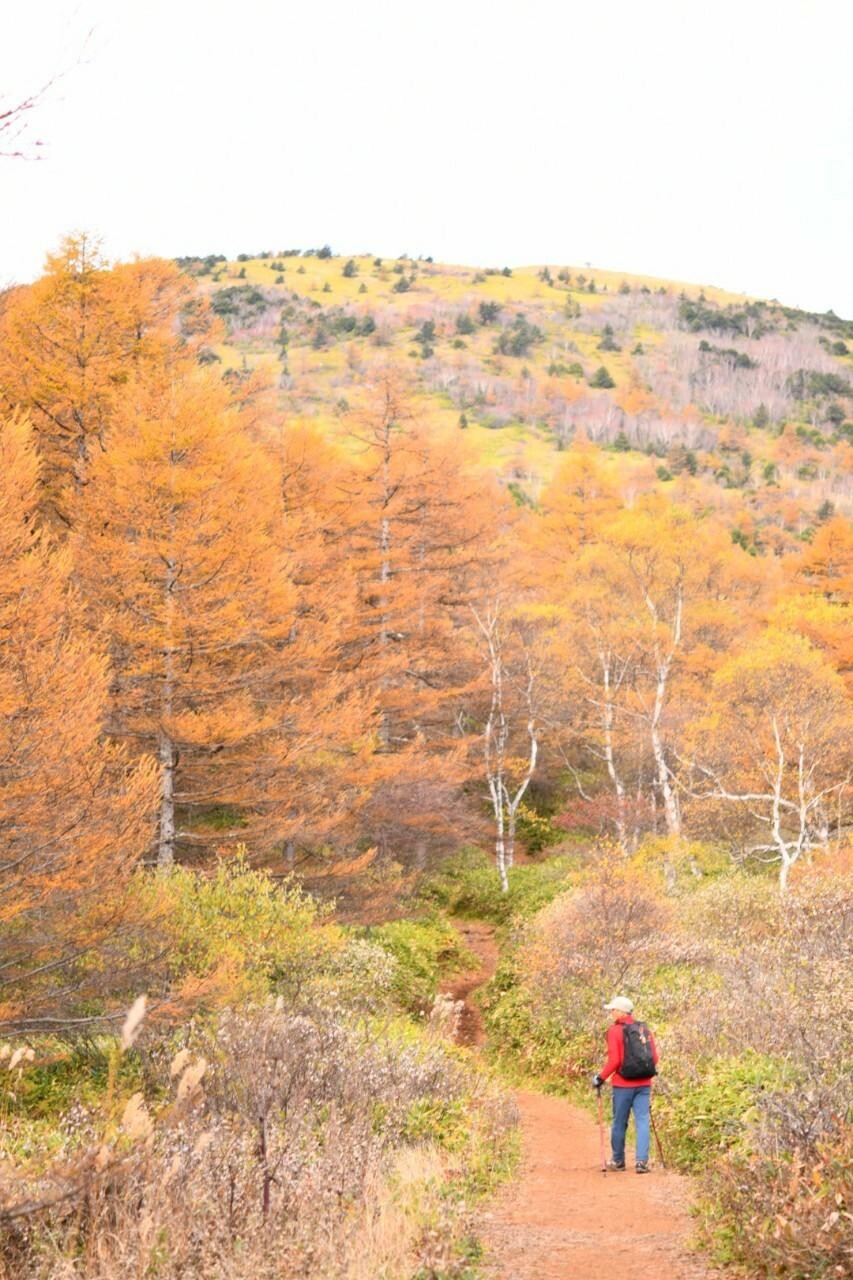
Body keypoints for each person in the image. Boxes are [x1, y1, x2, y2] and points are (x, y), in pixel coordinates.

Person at [592, 995, 659, 1173]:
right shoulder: (644, 1029)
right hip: (644, 1084)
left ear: (622, 1012)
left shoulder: (614, 1031)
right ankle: (641, 1163)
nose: (611, 1013)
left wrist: (600, 1078)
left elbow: (614, 1061)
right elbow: (654, 1058)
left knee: (619, 1122)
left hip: (623, 1085)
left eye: (613, 1010)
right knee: (642, 1121)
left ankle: (618, 1161)